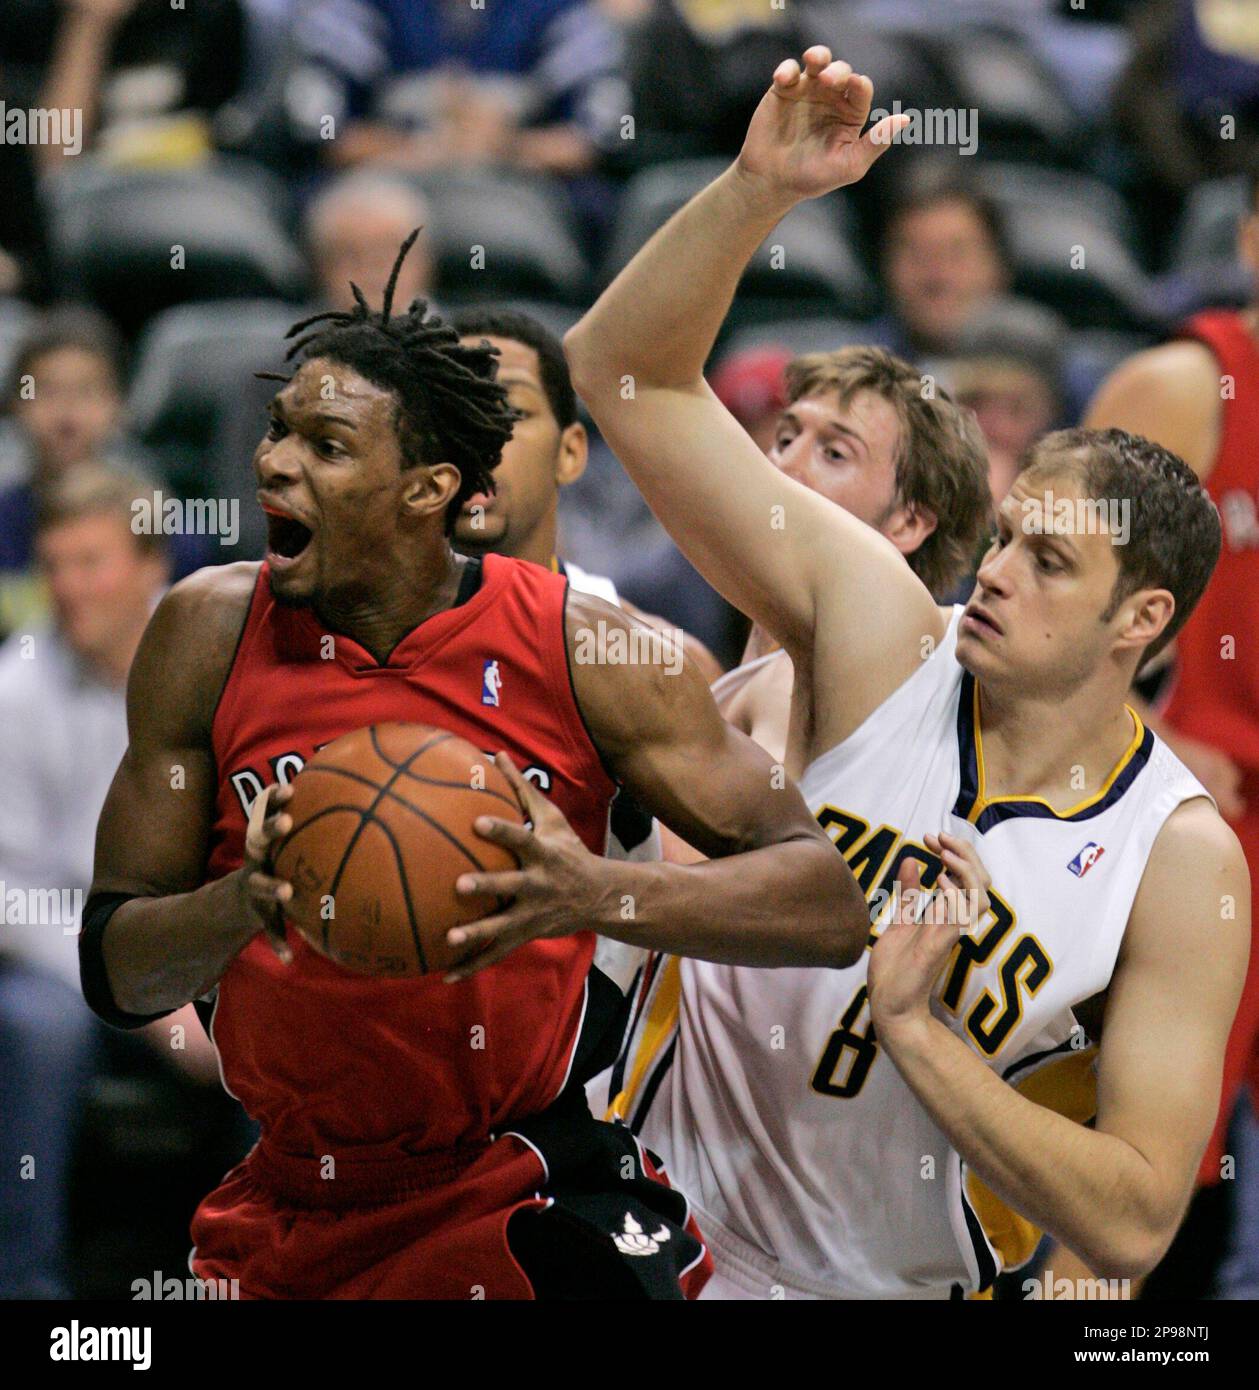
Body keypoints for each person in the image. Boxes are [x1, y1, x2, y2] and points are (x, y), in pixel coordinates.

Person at [564, 45, 1250, 1298]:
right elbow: (621, 374)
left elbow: (1136, 1221)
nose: (993, 577)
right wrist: (753, 192)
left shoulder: (1180, 856)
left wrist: (918, 1035)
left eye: (1048, 563)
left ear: (1138, 619)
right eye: (1001, 540)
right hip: (657, 1243)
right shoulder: (885, 633)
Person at [78, 234, 873, 1300]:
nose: (272, 461)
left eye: (324, 444)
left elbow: (826, 905)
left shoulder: (589, 650)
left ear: (427, 488)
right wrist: (243, 902)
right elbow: (117, 972)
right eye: (277, 430)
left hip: (522, 1176)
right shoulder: (205, 632)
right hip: (291, 1188)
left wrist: (594, 891)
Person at [1082, 178, 1259, 1289]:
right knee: (1150, 1186)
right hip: (1202, 831)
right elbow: (1028, 605)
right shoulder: (1182, 387)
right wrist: (1138, 728)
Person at [0, 465, 219, 1298]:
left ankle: (267, 1275)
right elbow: (9, 900)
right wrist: (146, 997)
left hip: (203, 937)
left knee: (288, 1013)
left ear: (153, 565)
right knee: (33, 1028)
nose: (65, 587)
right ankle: (26, 1286)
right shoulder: (13, 693)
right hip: (67, 964)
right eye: (52, 565)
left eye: (89, 563)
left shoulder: (215, 671)